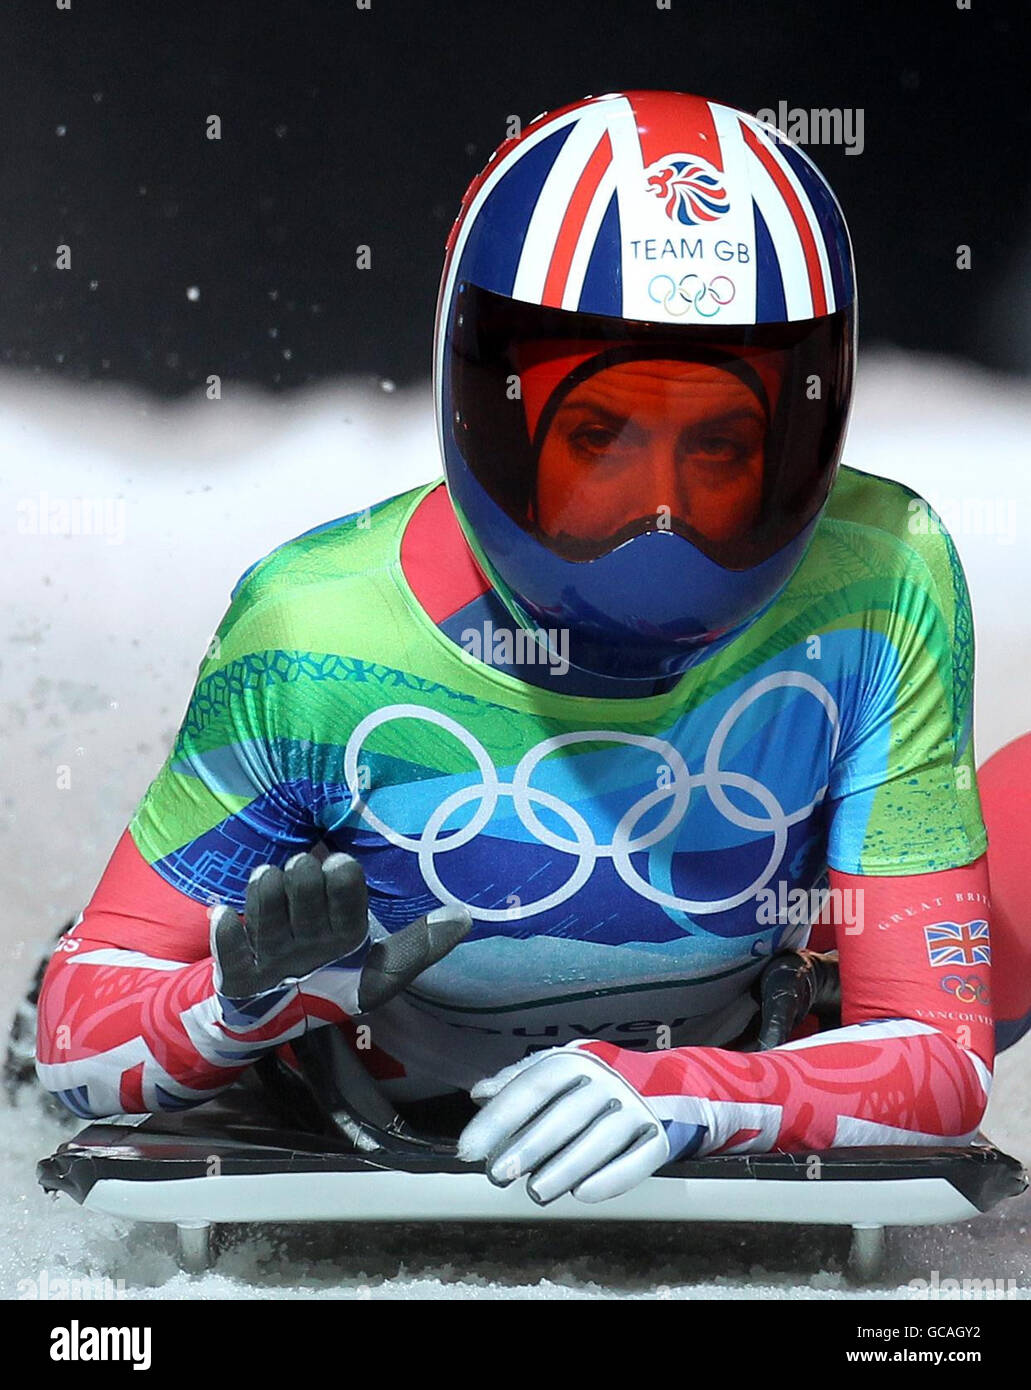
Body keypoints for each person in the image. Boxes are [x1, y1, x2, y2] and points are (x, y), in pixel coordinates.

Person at [35, 91, 1031, 1207]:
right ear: (481, 395)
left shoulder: (884, 572)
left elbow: (941, 1052)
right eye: (598, 436)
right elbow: (79, 1035)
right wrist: (234, 1006)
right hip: (374, 1073)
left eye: (721, 444)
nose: (661, 514)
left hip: (732, 1050)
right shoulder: (310, 627)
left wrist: (683, 1089)